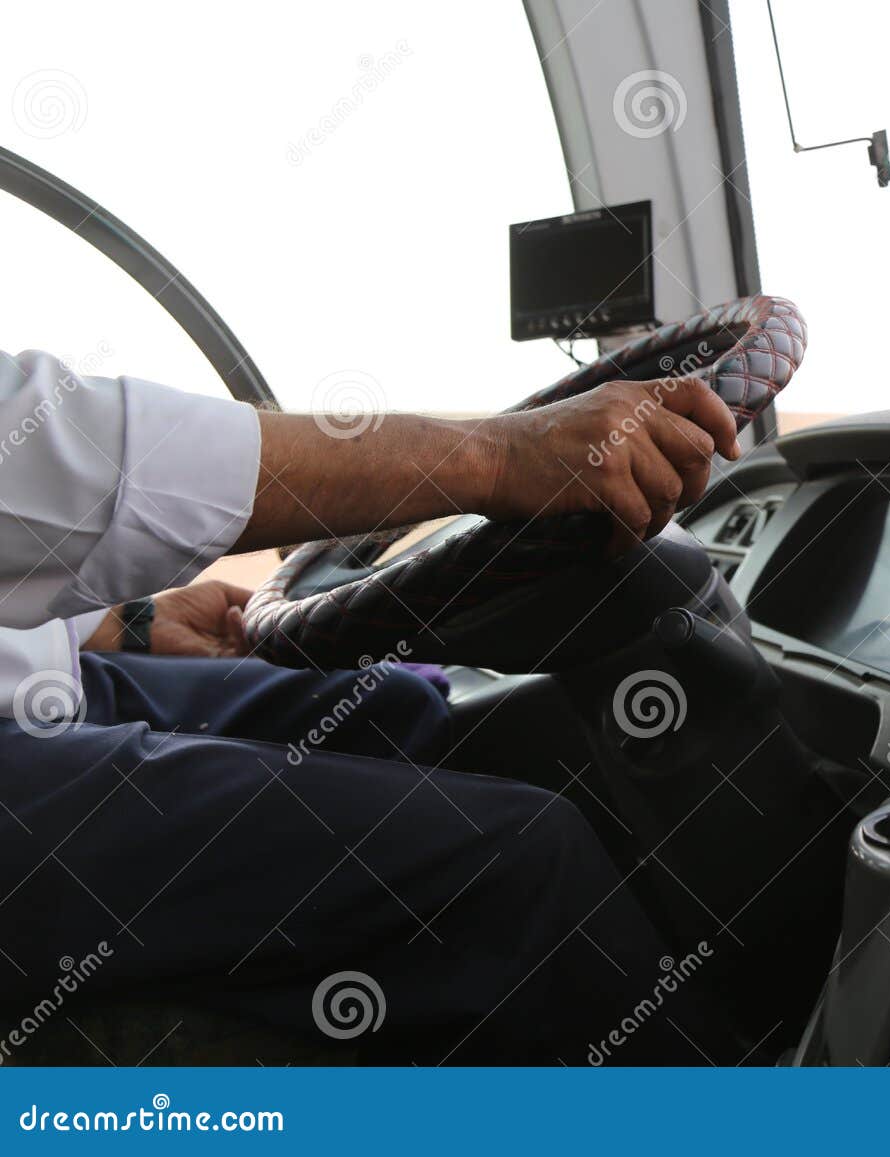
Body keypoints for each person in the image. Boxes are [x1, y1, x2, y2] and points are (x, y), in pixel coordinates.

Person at [0, 346, 739, 1063]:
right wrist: (497, 458)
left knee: (392, 704)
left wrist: (123, 623)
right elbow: (60, 451)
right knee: (527, 859)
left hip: (49, 676)